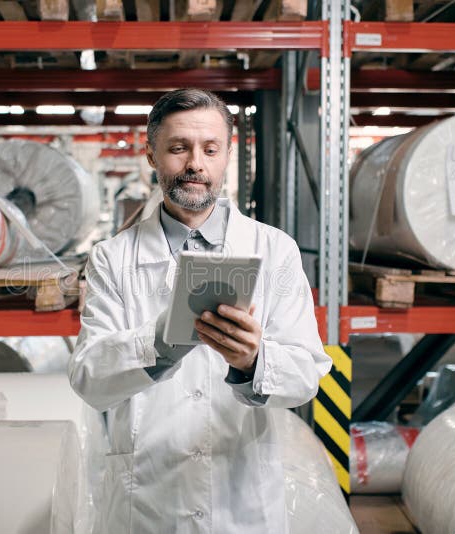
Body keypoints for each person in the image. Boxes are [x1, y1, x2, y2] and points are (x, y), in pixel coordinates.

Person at [68, 88, 331, 533]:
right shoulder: (112, 258)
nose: (195, 163)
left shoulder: (275, 251)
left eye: (210, 149)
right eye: (178, 148)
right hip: (147, 500)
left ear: (228, 154)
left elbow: (307, 375)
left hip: (240, 496)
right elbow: (89, 379)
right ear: (151, 155)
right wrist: (158, 344)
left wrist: (253, 361)